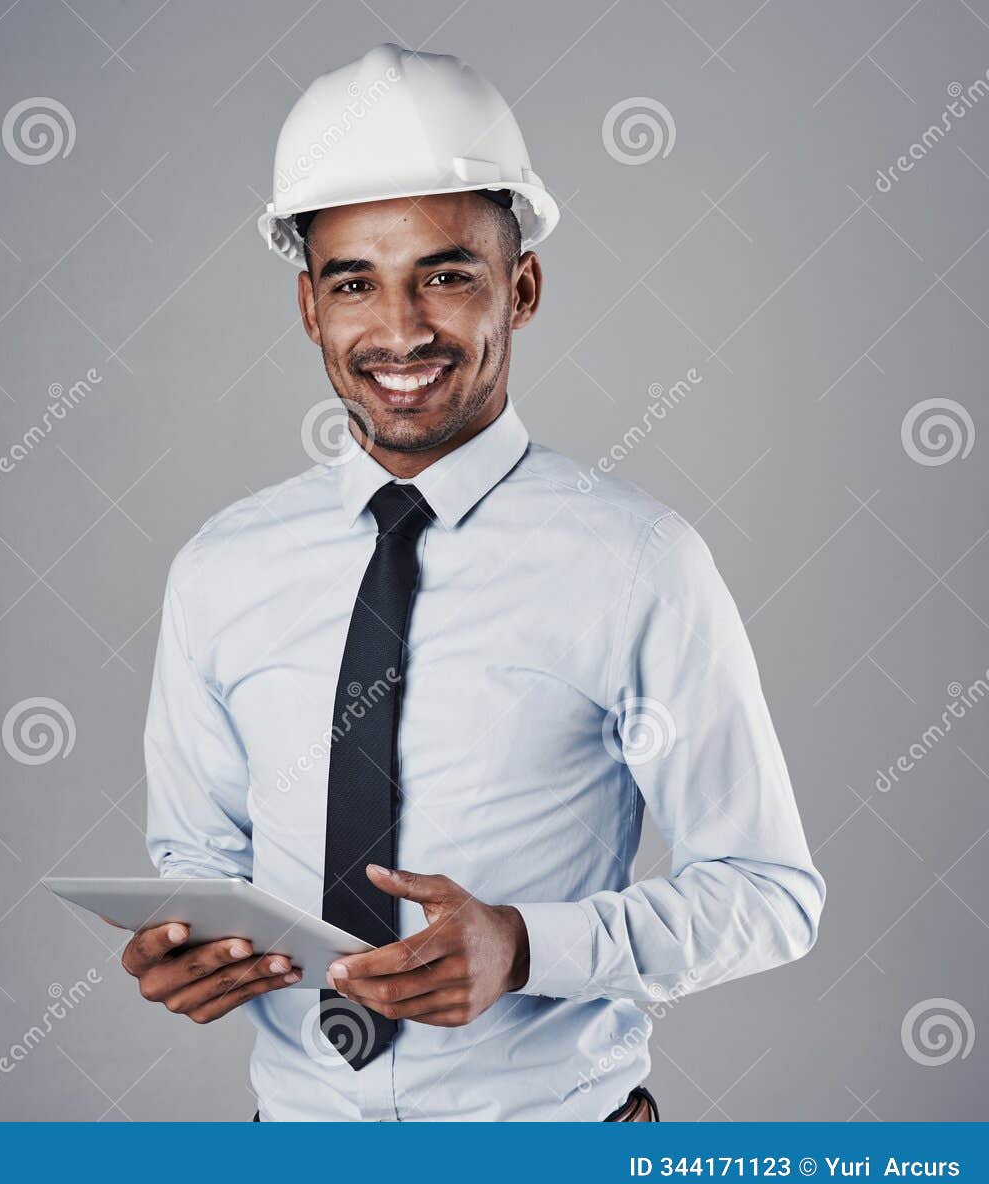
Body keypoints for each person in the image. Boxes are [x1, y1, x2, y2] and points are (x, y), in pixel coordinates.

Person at [124, 43, 824, 1121]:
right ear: (309, 306)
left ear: (522, 288)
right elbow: (198, 858)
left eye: (446, 276)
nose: (400, 331)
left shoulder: (637, 561)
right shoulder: (223, 569)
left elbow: (769, 895)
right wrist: (191, 947)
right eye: (355, 283)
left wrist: (528, 946)